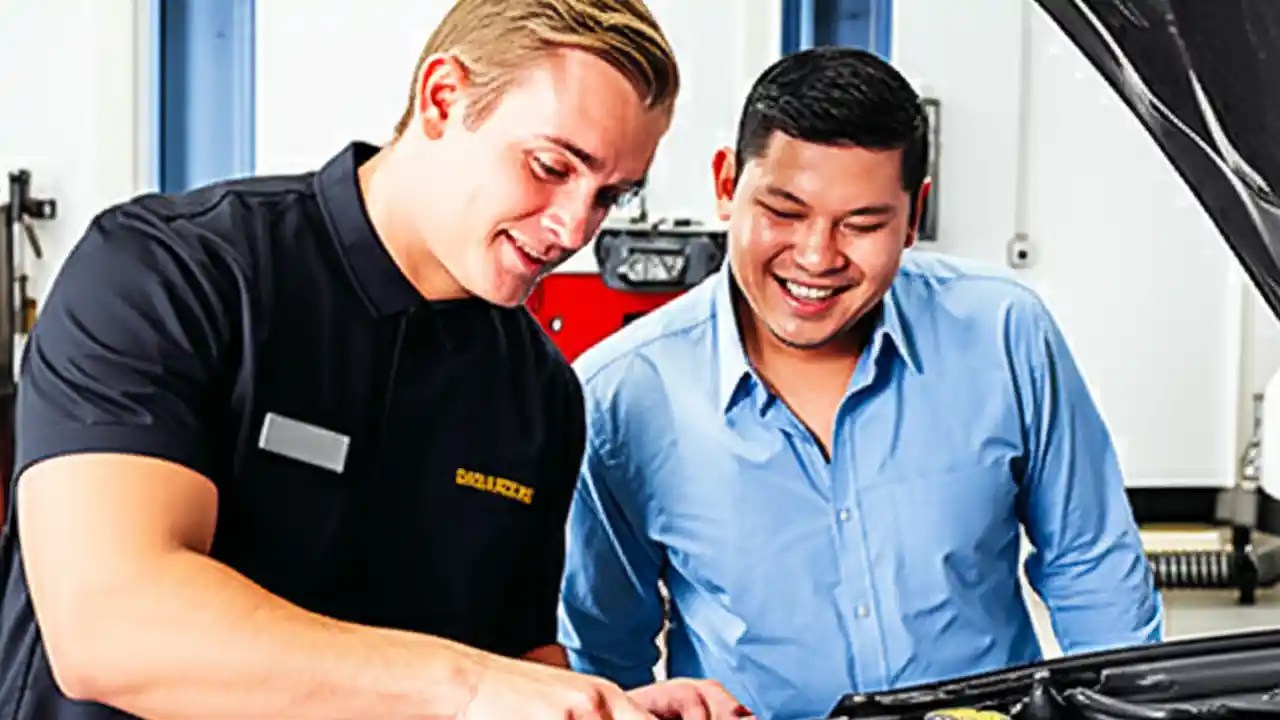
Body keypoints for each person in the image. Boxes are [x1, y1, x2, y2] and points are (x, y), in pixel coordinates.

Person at [0, 1, 753, 718]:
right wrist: (470, 688)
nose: (572, 227)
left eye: (610, 196)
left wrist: (599, 709)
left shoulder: (540, 392)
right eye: (552, 167)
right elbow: (111, 626)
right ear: (442, 97)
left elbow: (514, 663)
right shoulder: (171, 273)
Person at [556, 46, 1164, 720]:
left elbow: (1094, 572)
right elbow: (605, 658)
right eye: (784, 212)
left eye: (863, 224)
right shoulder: (619, 399)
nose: (816, 257)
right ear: (727, 186)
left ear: (913, 217)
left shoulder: (1005, 334)